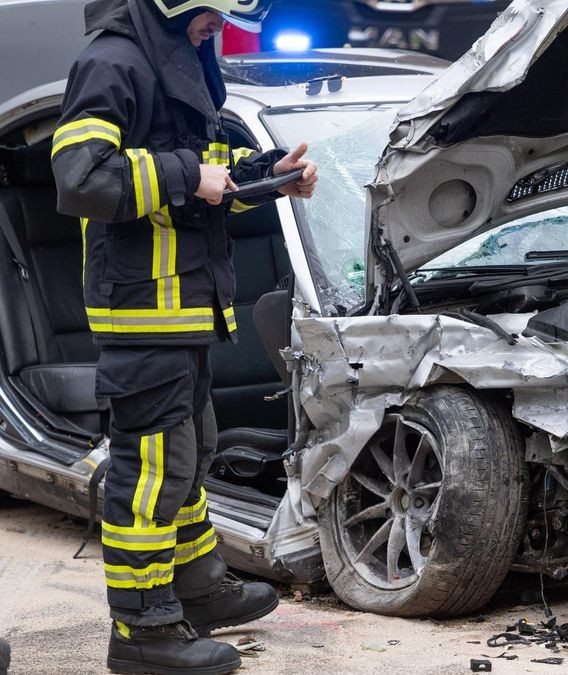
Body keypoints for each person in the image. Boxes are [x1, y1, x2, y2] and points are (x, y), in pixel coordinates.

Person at [51, 0, 318, 672]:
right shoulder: (113, 63)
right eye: (210, 17)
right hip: (143, 313)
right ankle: (142, 631)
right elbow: (79, 179)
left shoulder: (177, 62)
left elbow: (209, 172)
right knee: (149, 475)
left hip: (184, 306)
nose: (217, 31)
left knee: (187, 455)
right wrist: (183, 176)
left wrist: (268, 176)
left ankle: (196, 587)